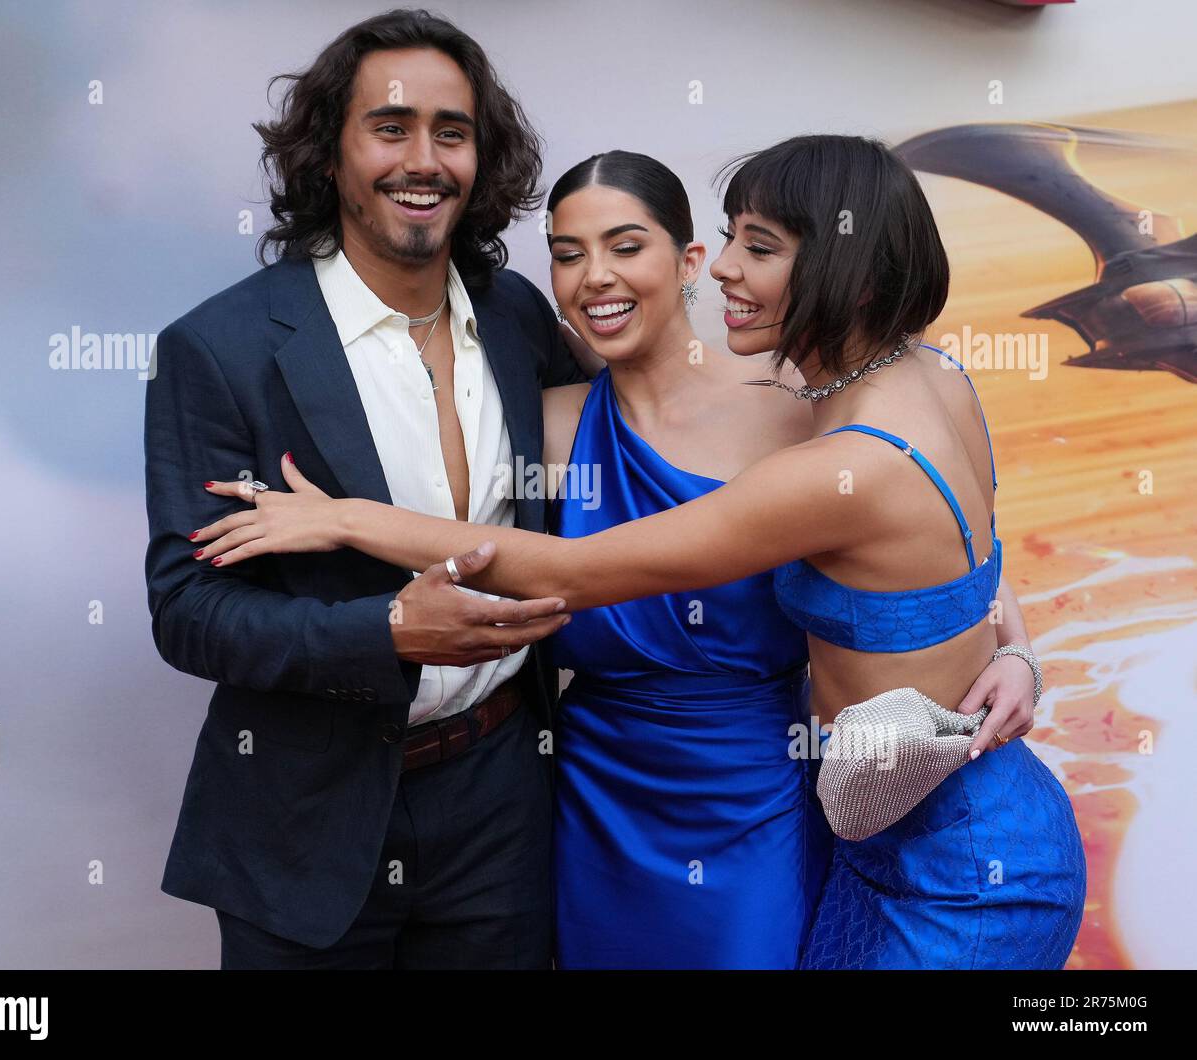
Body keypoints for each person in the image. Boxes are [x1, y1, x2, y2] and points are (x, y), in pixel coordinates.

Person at [190, 135, 1086, 969]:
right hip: (629, 803)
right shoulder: (920, 377)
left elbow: (573, 573)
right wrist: (1012, 649)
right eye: (567, 254)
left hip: (831, 817)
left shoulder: (820, 433)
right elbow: (960, 544)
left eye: (756, 248)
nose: (597, 276)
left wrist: (348, 518)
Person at [143, 9, 591, 970]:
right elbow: (188, 612)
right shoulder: (220, 351)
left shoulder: (518, 317)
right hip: (306, 821)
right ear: (331, 151)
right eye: (390, 128)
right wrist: (384, 633)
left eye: (451, 132)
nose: (423, 160)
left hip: (504, 803)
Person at [538, 150, 830, 967]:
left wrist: (1014, 651)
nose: (596, 276)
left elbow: (942, 526)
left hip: (755, 799)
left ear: (691, 260)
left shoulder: (792, 404)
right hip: (594, 804)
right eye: (568, 255)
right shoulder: (548, 426)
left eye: (626, 246)